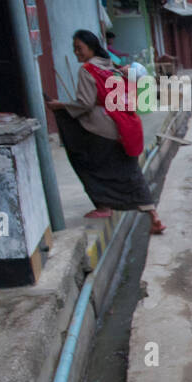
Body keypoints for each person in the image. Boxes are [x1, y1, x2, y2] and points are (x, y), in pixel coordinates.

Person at [46, 29, 166, 233]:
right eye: (74, 49)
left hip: (101, 129)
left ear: (91, 47)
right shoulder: (111, 65)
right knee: (129, 172)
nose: (77, 53)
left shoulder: (87, 70)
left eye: (79, 48)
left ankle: (104, 206)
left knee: (87, 164)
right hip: (124, 125)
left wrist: (61, 106)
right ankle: (152, 215)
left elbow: (84, 103)